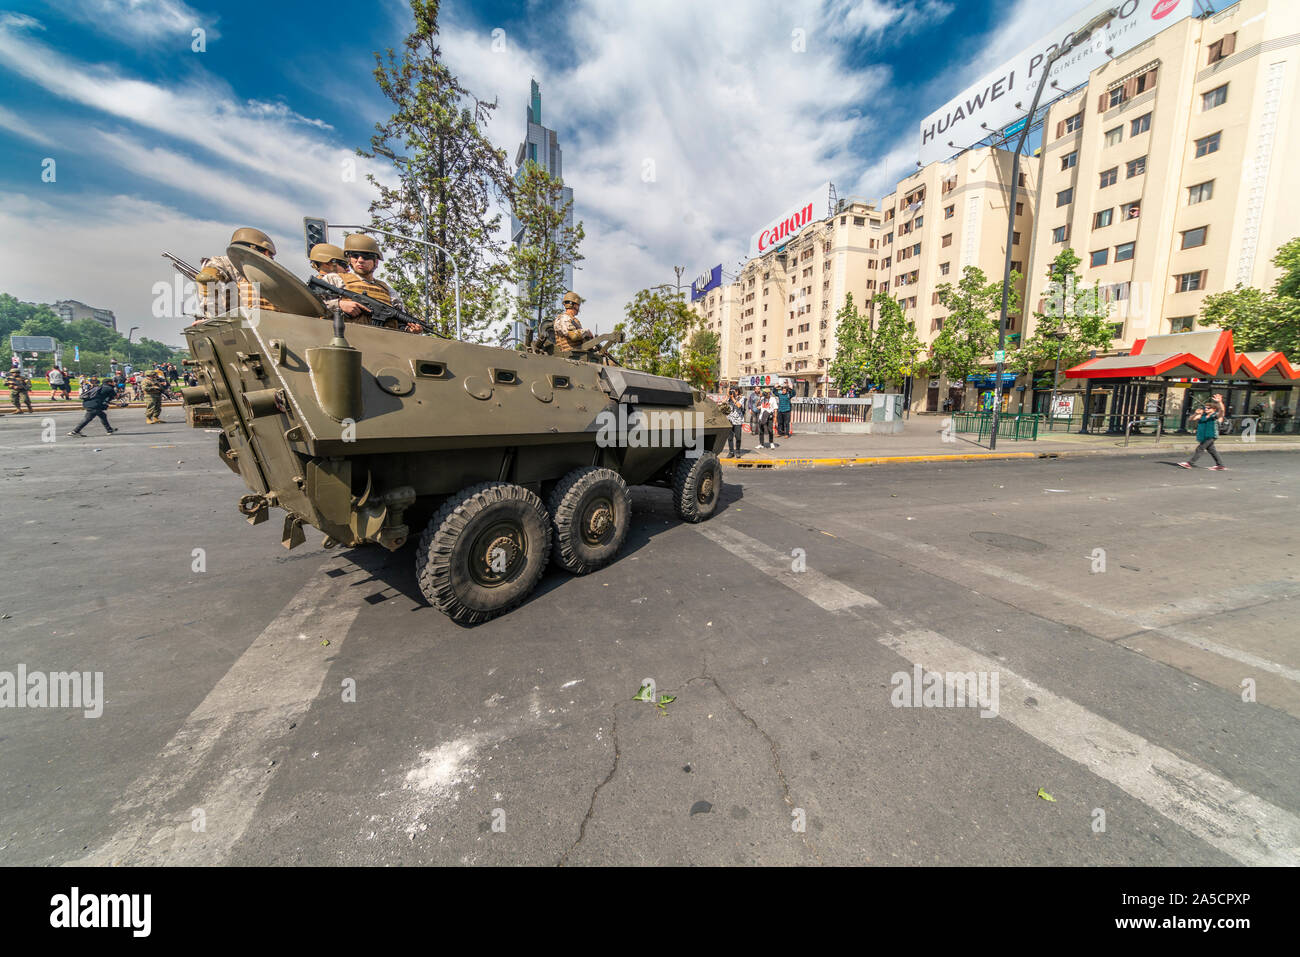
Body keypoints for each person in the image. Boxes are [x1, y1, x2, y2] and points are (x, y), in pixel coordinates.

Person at [337, 234, 422, 333]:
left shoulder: (388, 291)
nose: (360, 260)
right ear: (349, 259)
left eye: (365, 257)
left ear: (376, 262)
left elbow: (399, 322)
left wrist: (410, 329)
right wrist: (339, 304)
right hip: (347, 339)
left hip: (381, 342)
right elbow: (316, 304)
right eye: (355, 256)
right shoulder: (337, 279)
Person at [194, 227, 279, 318]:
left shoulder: (271, 276)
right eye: (271, 256)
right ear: (266, 252)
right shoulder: (224, 263)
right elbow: (207, 278)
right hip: (243, 322)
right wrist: (211, 318)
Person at [1179, 399, 1226, 470]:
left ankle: (1190, 463)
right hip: (1203, 435)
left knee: (1200, 448)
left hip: (1211, 435)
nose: (1206, 409)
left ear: (1214, 409)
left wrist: (1219, 402)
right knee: (1212, 450)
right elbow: (1191, 419)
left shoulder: (1215, 416)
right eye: (1205, 408)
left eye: (1208, 408)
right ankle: (1220, 465)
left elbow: (1222, 410)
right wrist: (1196, 413)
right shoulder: (1202, 416)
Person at [553, 291, 594, 356]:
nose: (579, 308)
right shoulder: (563, 318)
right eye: (578, 305)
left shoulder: (573, 320)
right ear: (574, 305)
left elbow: (581, 340)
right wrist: (587, 332)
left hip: (578, 355)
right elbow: (573, 336)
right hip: (568, 355)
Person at [724, 388, 744, 457]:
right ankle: (731, 452)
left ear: (737, 392)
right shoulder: (729, 398)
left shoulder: (741, 398)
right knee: (730, 438)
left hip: (738, 421)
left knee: (738, 437)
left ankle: (738, 451)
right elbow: (722, 403)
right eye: (731, 391)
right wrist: (727, 396)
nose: (732, 392)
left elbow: (739, 405)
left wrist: (733, 398)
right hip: (730, 420)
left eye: (734, 391)